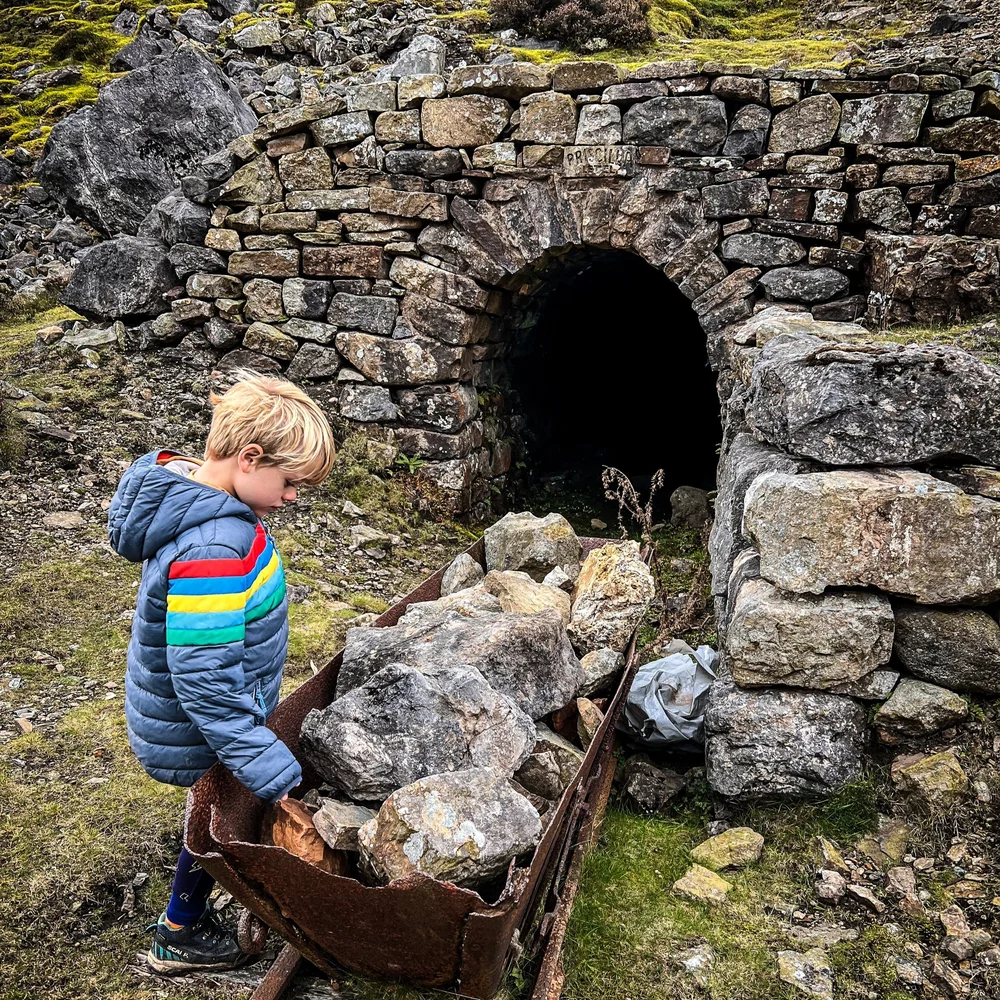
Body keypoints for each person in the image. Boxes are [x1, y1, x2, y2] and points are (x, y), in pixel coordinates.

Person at [107, 371, 336, 973]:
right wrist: (264, 761)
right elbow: (204, 678)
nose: (292, 497)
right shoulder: (213, 546)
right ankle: (179, 932)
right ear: (249, 458)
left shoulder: (202, 496)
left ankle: (186, 914)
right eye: (289, 483)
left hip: (224, 707)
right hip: (209, 719)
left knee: (211, 806)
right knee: (217, 815)